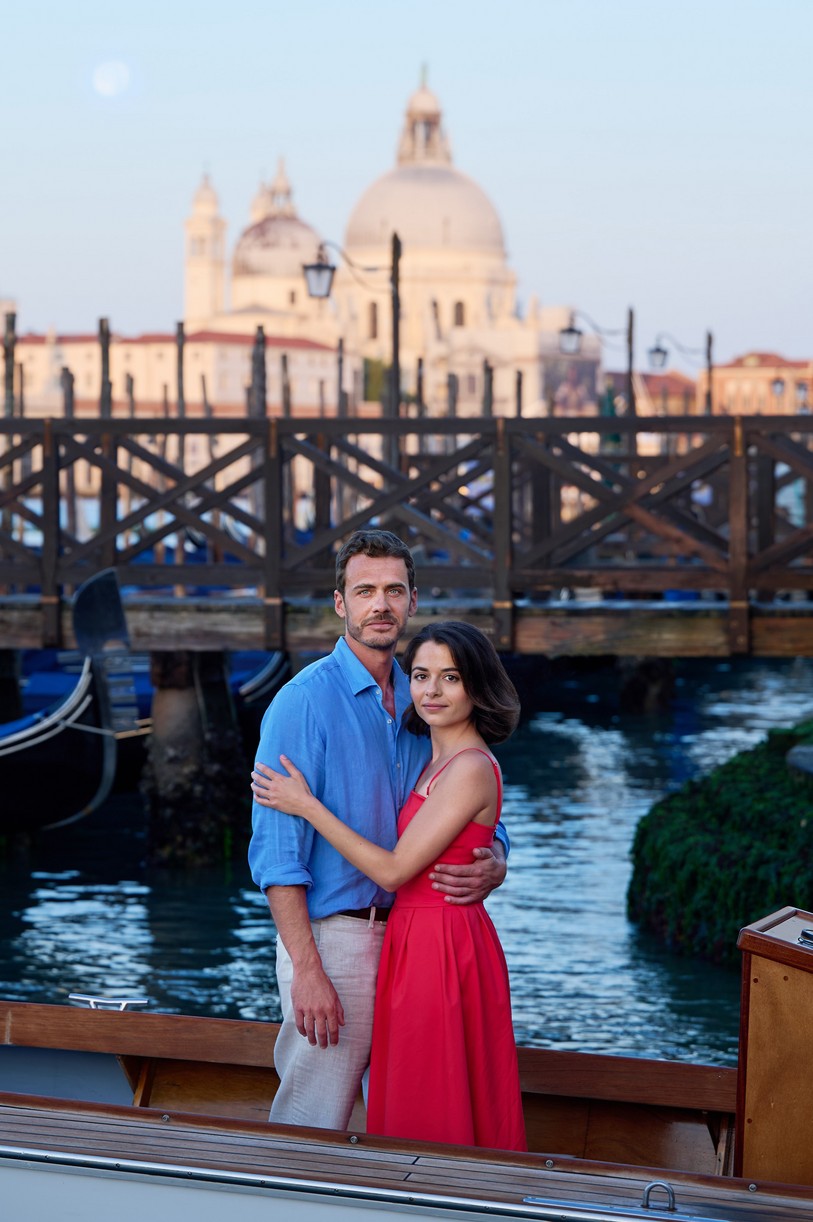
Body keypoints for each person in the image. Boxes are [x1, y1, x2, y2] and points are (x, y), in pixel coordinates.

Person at [248, 529, 509, 1132]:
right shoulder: (302, 704)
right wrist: (307, 969)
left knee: (401, 1111)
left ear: (413, 600)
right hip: (336, 942)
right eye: (364, 590)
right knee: (315, 1116)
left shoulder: (424, 701)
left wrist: (497, 855)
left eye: (394, 590)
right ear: (341, 603)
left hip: (415, 945)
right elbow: (278, 858)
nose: (380, 605)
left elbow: (469, 801)